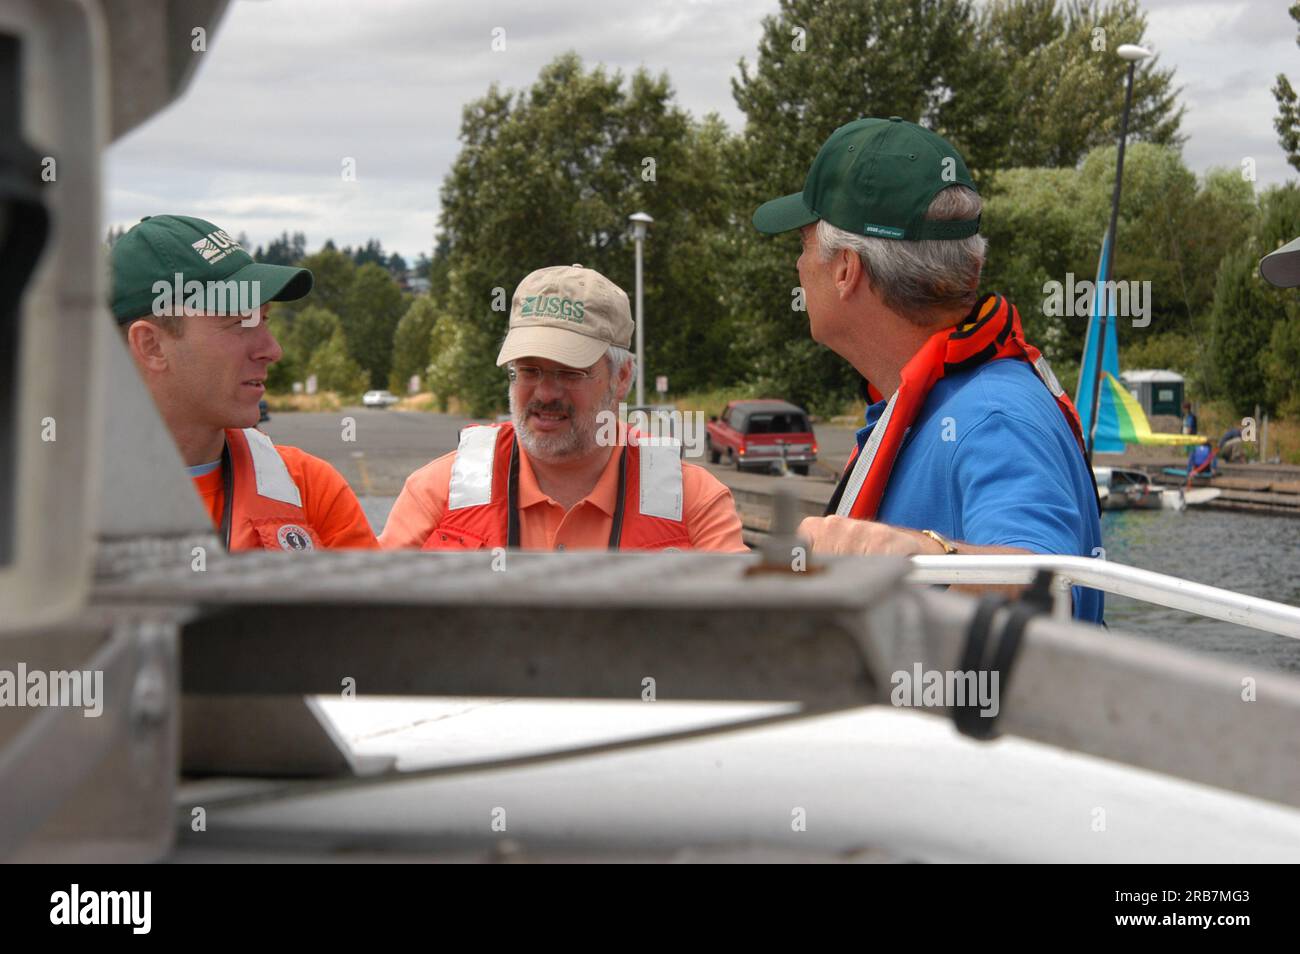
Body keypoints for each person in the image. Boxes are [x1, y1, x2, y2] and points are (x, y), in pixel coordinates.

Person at [751, 117, 1103, 623]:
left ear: (846, 269)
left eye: (803, 244)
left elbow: (1042, 581)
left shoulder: (992, 418)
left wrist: (913, 551)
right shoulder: (943, 401)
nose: (798, 267)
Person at [380, 264, 745, 552]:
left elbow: (748, 630)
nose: (546, 392)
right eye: (529, 370)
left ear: (622, 377)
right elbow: (368, 623)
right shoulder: (437, 492)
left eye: (570, 372)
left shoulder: (693, 501)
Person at [111, 214, 378, 551]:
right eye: (240, 321)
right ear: (151, 346)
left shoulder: (311, 491)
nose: (273, 350)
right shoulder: (45, 502)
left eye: (264, 319)